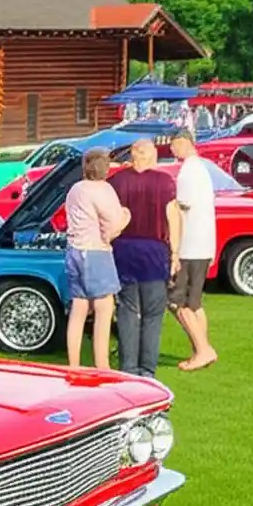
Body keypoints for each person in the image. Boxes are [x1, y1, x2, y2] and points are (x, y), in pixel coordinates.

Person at [108, 139, 182, 378]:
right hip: (154, 251)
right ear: (151, 156)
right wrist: (175, 253)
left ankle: (128, 367)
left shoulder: (117, 181)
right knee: (153, 313)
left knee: (128, 309)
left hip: (124, 250)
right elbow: (173, 217)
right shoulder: (164, 182)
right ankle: (147, 369)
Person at [63, 148, 129, 369]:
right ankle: (102, 365)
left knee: (79, 307)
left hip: (73, 250)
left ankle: (73, 364)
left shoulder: (74, 189)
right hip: (96, 252)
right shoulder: (103, 189)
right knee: (104, 307)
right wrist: (126, 215)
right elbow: (114, 223)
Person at [168, 129, 219, 371]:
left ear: (185, 142)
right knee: (195, 303)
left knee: (179, 302)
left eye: (174, 145)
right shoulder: (202, 169)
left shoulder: (188, 172)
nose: (171, 150)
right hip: (204, 244)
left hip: (190, 246)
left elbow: (180, 207)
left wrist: (173, 244)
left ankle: (203, 350)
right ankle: (202, 348)